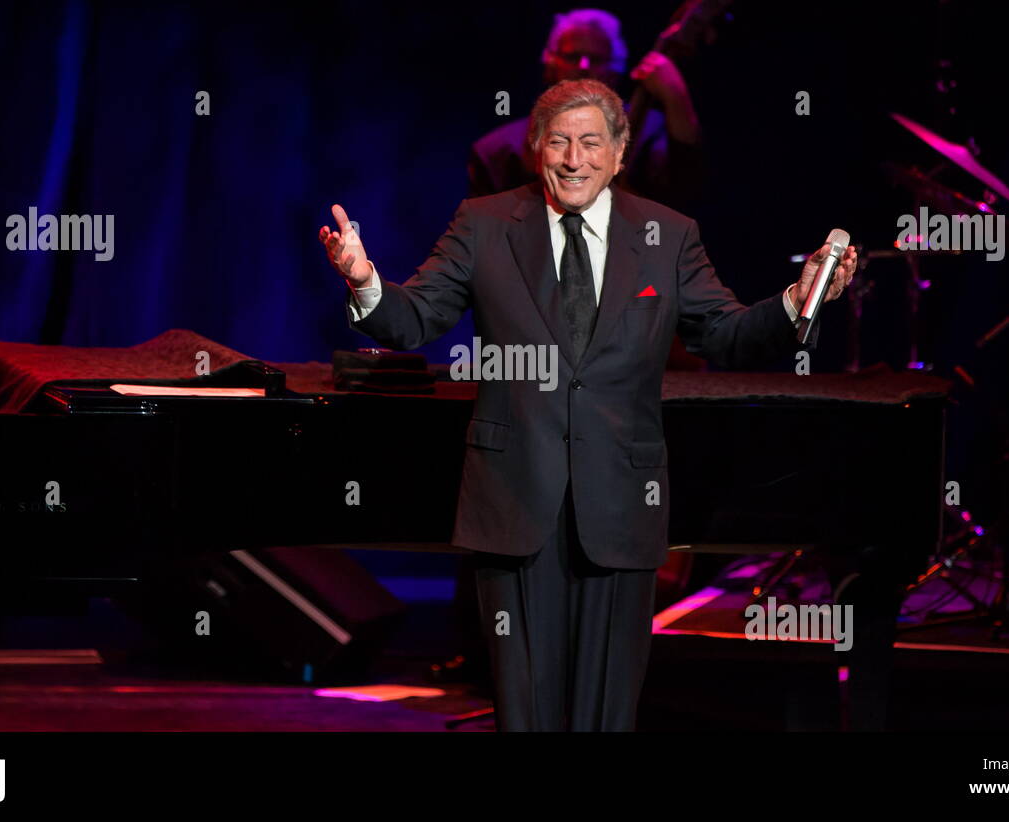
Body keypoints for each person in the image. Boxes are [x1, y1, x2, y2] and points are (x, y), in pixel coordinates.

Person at [318, 79, 856, 731]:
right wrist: (366, 282)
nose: (574, 159)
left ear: (620, 152)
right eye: (560, 142)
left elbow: (726, 334)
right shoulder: (484, 224)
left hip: (622, 506)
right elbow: (416, 319)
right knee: (526, 711)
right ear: (537, 148)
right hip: (514, 502)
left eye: (592, 143)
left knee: (605, 715)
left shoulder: (668, 234)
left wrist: (797, 303)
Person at [469, 8, 704, 212]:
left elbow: (686, 186)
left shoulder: (649, 129)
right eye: (572, 56)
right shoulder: (497, 151)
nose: (583, 67)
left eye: (597, 58)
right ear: (550, 64)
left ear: (616, 68)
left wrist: (676, 96)